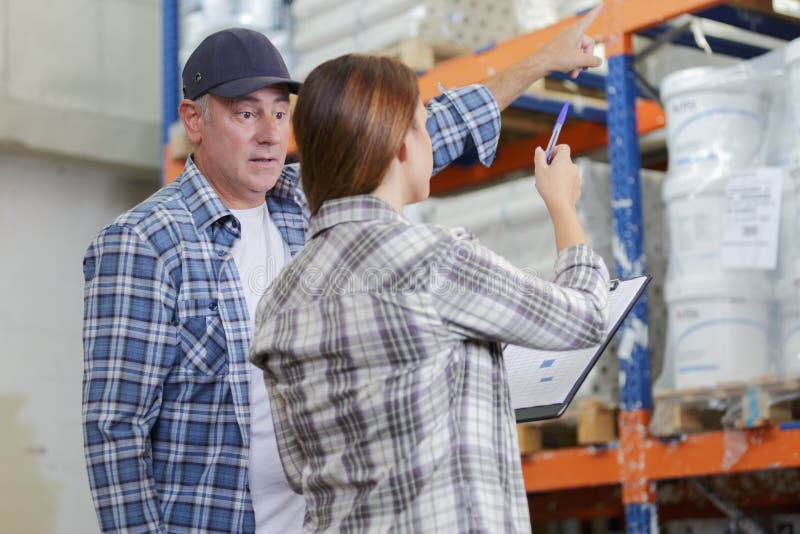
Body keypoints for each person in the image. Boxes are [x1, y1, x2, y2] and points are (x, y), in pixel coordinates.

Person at [81, 8, 603, 533]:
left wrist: (542, 61)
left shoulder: (301, 199)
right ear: (194, 120)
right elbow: (115, 430)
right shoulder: (145, 243)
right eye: (246, 114)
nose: (270, 135)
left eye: (279, 113)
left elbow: (430, 129)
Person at [249, 53, 609, 534]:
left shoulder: (277, 303)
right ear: (401, 146)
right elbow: (585, 317)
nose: (428, 140)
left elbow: (300, 470)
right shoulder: (433, 260)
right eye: (422, 125)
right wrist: (562, 204)